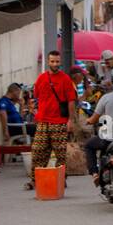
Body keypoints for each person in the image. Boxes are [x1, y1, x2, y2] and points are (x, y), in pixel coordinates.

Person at [29, 50, 77, 190]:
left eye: (57, 61)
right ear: (48, 62)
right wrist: (34, 110)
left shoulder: (65, 79)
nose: (55, 64)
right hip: (43, 121)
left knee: (61, 154)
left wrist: (70, 120)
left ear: (60, 61)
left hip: (60, 122)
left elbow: (71, 101)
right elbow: (35, 97)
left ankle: (61, 179)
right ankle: (35, 180)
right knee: (38, 151)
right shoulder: (41, 78)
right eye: (52, 61)